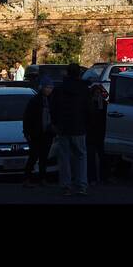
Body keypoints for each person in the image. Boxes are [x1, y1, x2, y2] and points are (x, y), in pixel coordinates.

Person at [49, 63, 91, 196]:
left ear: (67, 73)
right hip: (78, 127)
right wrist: (88, 124)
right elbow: (89, 109)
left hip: (63, 127)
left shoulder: (59, 89)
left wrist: (55, 123)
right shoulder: (84, 88)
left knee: (64, 157)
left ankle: (66, 186)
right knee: (81, 156)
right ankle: (81, 185)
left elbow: (53, 108)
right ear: (79, 73)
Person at [22, 76, 55, 187]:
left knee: (44, 157)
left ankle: (42, 178)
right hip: (36, 133)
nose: (49, 90)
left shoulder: (52, 100)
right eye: (47, 87)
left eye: (51, 87)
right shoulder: (35, 100)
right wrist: (27, 132)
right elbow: (27, 117)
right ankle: (27, 178)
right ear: (42, 87)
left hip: (47, 132)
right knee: (34, 156)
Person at [86, 83, 109, 184]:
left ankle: (98, 177)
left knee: (99, 156)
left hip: (97, 132)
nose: (98, 95)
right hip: (94, 132)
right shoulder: (99, 104)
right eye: (97, 93)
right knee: (93, 156)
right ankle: (95, 178)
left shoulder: (102, 104)